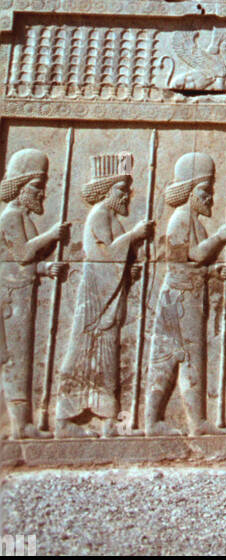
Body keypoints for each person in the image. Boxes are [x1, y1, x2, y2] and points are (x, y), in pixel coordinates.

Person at [55, 154, 152, 436]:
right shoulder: (99, 214)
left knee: (107, 357)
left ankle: (108, 420)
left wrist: (130, 270)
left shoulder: (110, 217)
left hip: (108, 297)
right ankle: (65, 418)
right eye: (121, 190)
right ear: (107, 190)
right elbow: (106, 256)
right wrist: (133, 236)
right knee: (83, 352)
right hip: (97, 298)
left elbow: (118, 260)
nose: (127, 196)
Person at [145, 152, 226, 435]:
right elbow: (192, 256)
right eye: (205, 191)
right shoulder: (180, 219)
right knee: (168, 357)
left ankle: (197, 423)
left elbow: (193, 266)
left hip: (189, 297)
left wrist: (214, 273)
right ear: (190, 192)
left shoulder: (193, 221)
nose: (210, 198)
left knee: (191, 358)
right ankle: (151, 421)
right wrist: (219, 238)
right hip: (178, 300)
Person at [0, 148, 69, 437]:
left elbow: (24, 264)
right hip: (10, 297)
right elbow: (23, 254)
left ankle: (21, 424)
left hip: (21, 292)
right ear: (19, 187)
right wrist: (51, 235)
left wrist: (45, 269)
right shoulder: (11, 216)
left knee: (22, 358)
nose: (42, 194)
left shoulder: (23, 217)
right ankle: (20, 426)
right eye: (36, 188)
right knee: (15, 359)